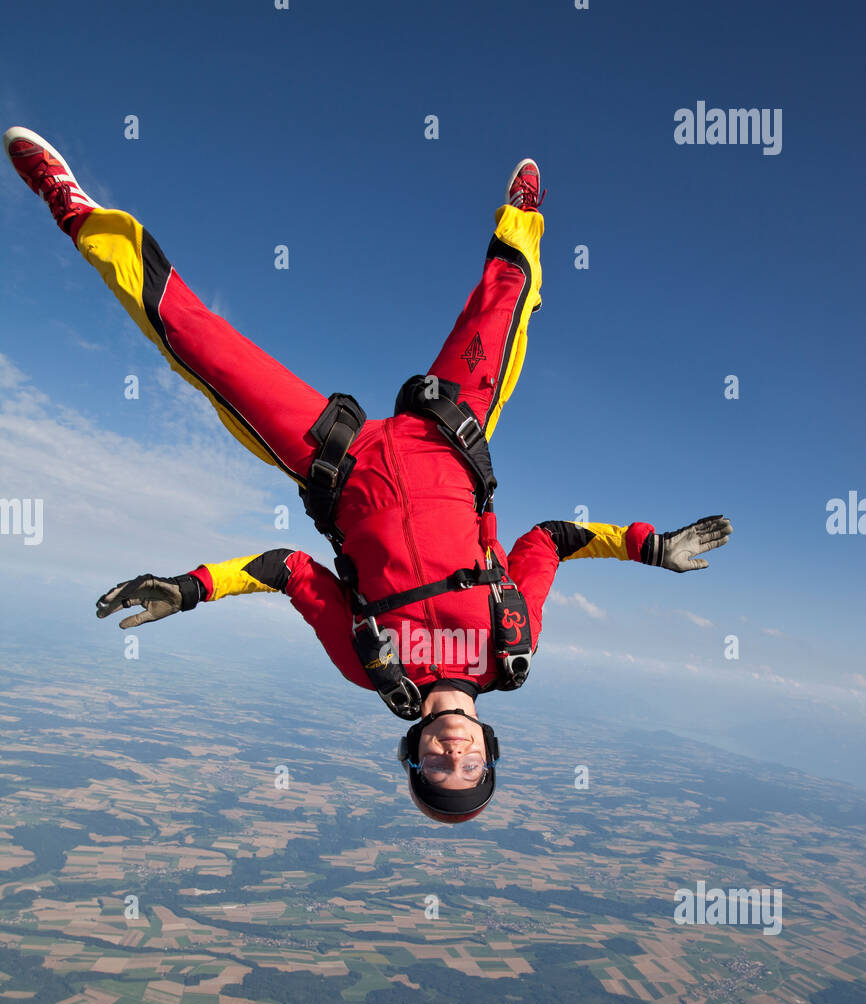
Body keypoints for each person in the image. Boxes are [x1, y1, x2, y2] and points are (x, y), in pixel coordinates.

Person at [4, 128, 732, 825]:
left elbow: (289, 569)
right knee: (506, 299)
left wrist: (190, 588)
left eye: (437, 768)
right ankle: (522, 216)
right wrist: (648, 547)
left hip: (337, 459)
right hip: (449, 439)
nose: (453, 755)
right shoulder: (513, 646)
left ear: (413, 753)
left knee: (198, 346)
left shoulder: (370, 668)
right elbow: (551, 539)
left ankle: (72, 209)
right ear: (488, 752)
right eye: (468, 768)